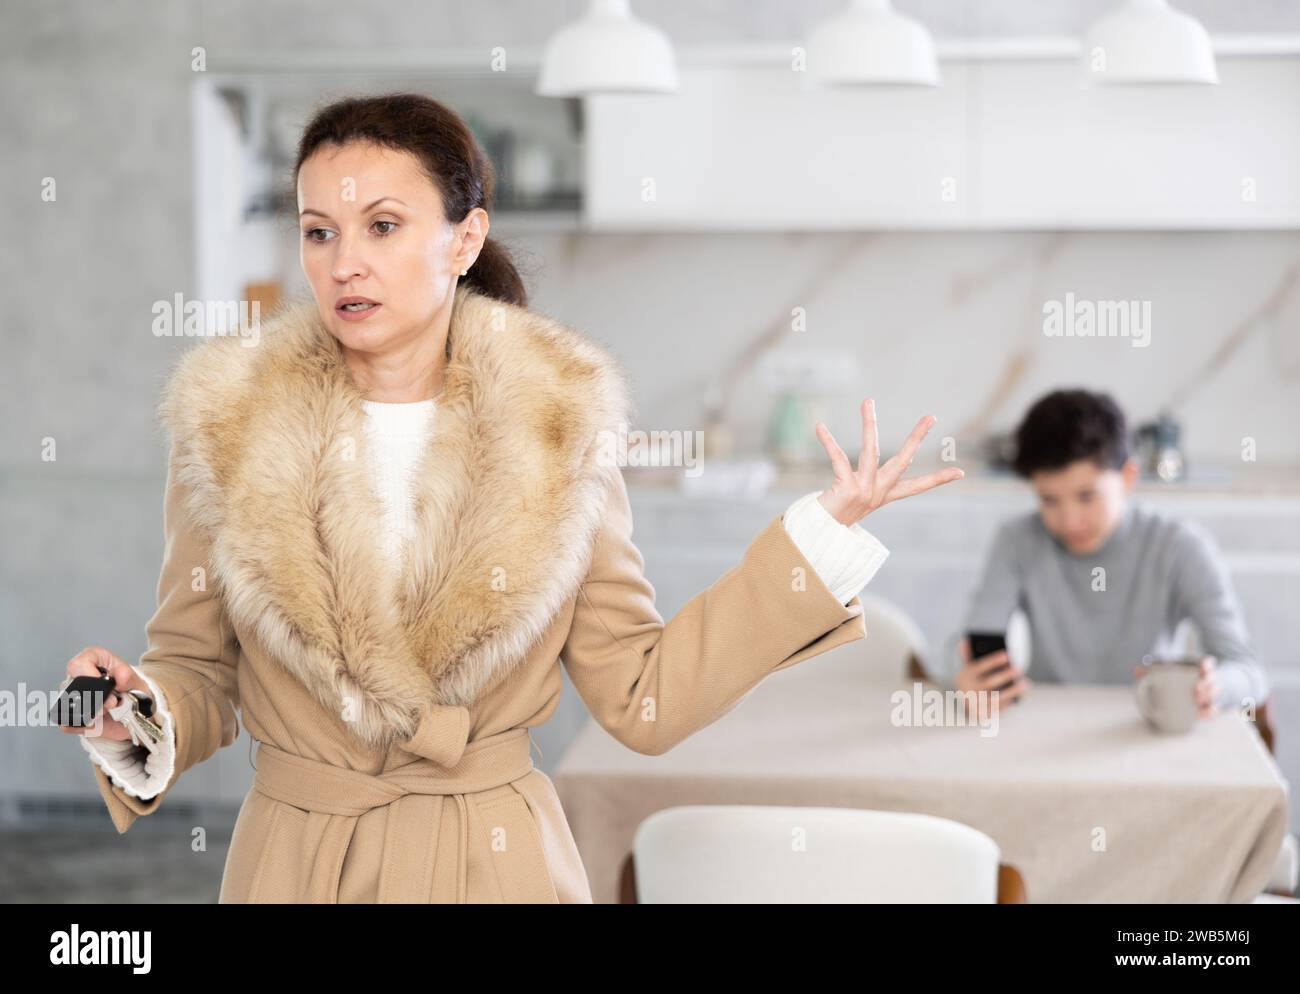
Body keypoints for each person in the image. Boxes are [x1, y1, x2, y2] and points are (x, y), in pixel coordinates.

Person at [57, 92, 963, 903]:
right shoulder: (228, 425)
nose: (342, 264)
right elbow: (198, 668)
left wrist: (814, 541)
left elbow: (644, 698)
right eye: (318, 231)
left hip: (494, 867)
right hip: (297, 867)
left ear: (465, 238)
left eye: (381, 225)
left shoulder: (561, 429)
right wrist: (138, 709)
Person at [930, 388, 1268, 719]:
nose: (1069, 520)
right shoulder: (1017, 540)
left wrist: (1215, 686)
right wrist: (963, 676)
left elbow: (1248, 671)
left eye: (1087, 496)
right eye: (1049, 500)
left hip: (1146, 727)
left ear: (1128, 476)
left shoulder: (1179, 546)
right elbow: (961, 649)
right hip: (1048, 728)